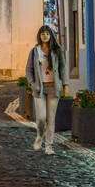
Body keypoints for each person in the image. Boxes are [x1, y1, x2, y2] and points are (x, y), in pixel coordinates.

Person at [25, 25, 66, 155]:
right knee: (41, 118)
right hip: (39, 89)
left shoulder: (57, 50)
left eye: (47, 34)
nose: (45, 36)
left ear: (51, 35)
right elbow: (29, 69)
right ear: (40, 36)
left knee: (51, 119)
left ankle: (49, 146)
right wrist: (32, 83)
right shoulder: (35, 51)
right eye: (42, 34)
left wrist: (65, 85)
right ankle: (39, 136)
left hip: (54, 88)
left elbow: (63, 69)